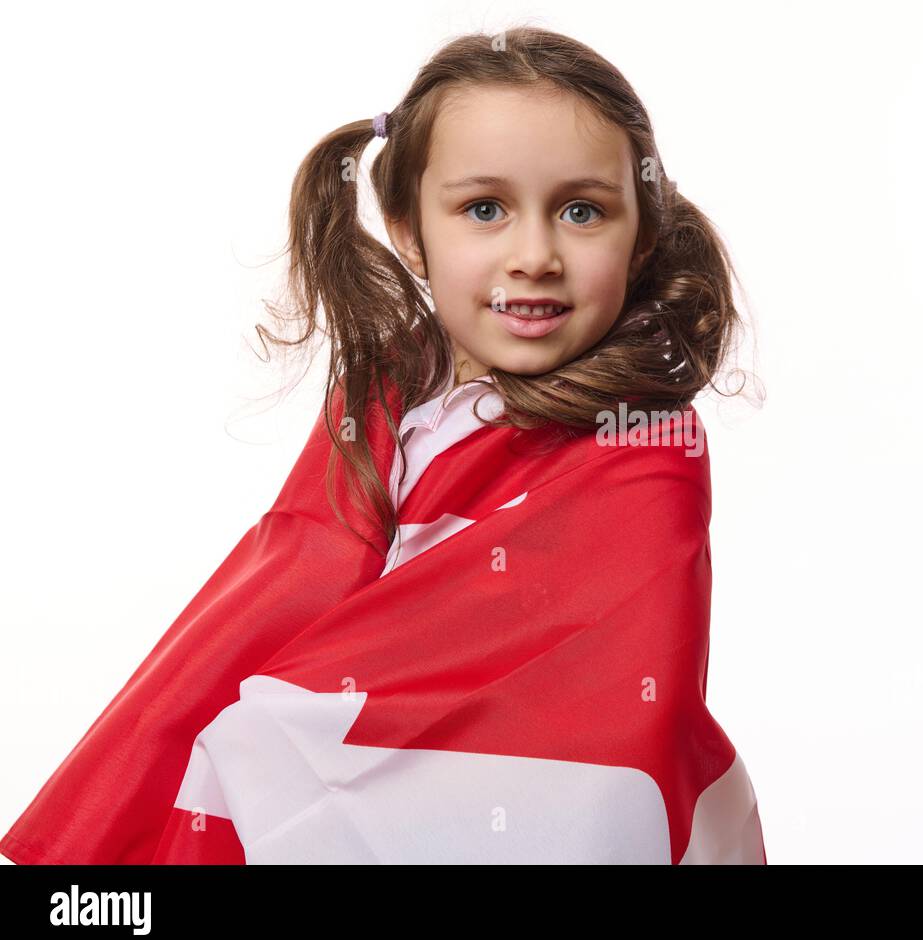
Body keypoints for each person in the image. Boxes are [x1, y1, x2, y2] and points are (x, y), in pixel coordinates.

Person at [0, 25, 765, 865]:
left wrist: (296, 723)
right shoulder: (383, 398)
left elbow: (614, 692)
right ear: (410, 231)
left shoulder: (646, 440)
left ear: (642, 234)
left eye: (582, 211)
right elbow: (292, 582)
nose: (536, 254)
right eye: (485, 209)